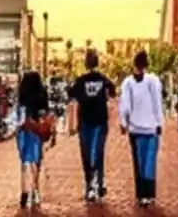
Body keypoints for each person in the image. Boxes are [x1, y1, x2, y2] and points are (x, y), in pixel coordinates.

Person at [68, 50, 117, 202]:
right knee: (98, 153)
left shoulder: (80, 81)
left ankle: (90, 184)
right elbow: (113, 93)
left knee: (87, 154)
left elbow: (71, 97)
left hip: (86, 123)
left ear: (86, 63)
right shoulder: (104, 80)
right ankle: (99, 183)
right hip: (100, 121)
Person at [119, 50, 164, 207]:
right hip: (151, 128)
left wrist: (124, 123)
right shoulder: (153, 81)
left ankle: (141, 195)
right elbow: (157, 103)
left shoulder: (128, 83)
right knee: (150, 161)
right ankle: (149, 194)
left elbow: (124, 105)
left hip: (135, 129)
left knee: (138, 162)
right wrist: (159, 123)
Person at [14, 71, 55, 209]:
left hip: (23, 131)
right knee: (36, 162)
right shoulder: (41, 95)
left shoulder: (22, 96)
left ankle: (24, 190)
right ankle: (35, 190)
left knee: (25, 162)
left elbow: (18, 115)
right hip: (36, 130)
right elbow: (46, 113)